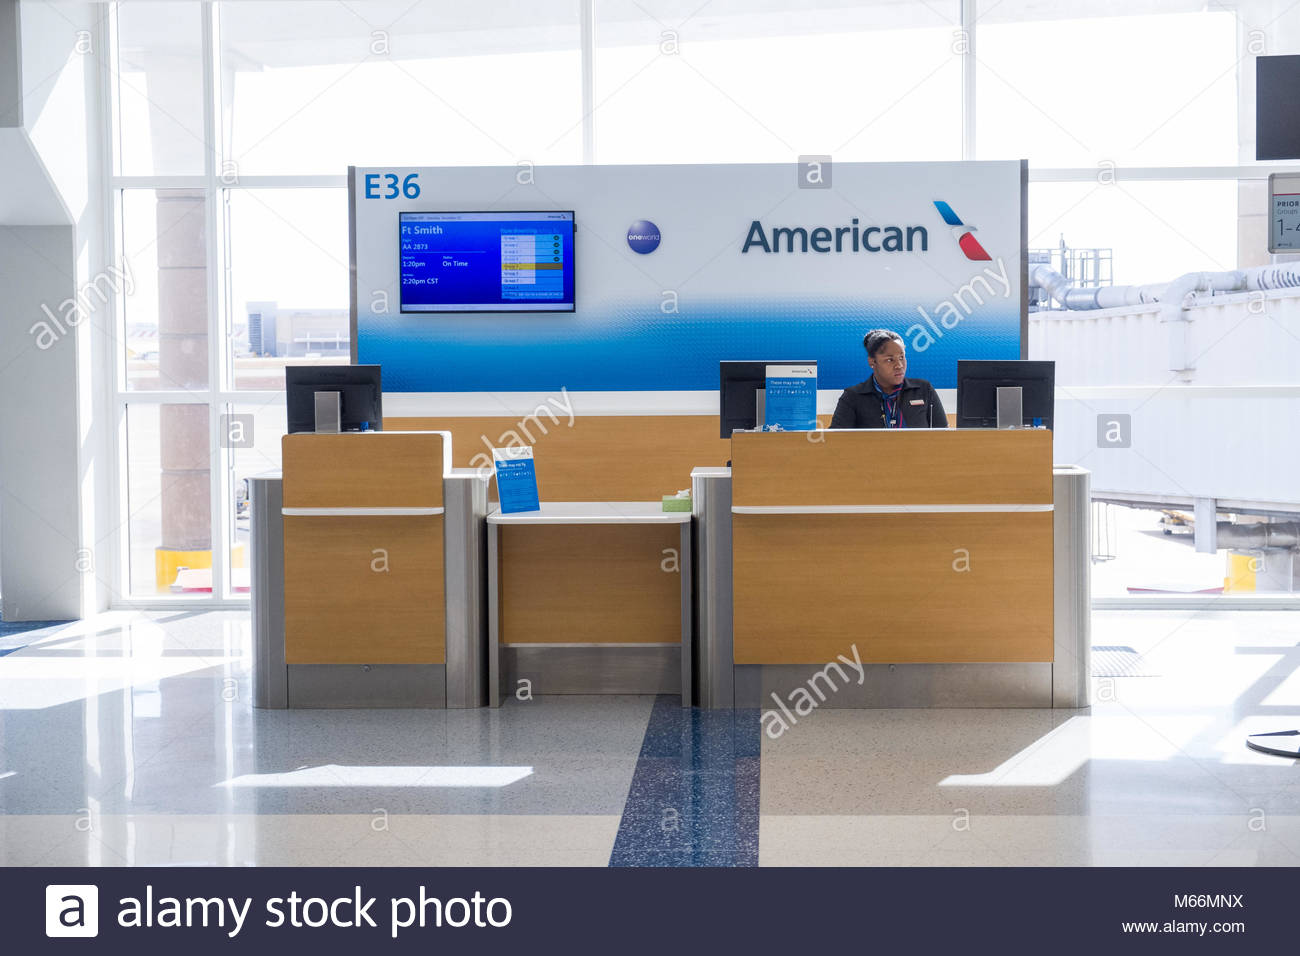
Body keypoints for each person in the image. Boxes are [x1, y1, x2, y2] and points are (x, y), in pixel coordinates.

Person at [829, 329, 947, 429]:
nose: (899, 365)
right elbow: (835, 442)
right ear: (872, 361)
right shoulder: (853, 397)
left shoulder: (924, 390)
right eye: (890, 360)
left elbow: (944, 436)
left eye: (902, 357)